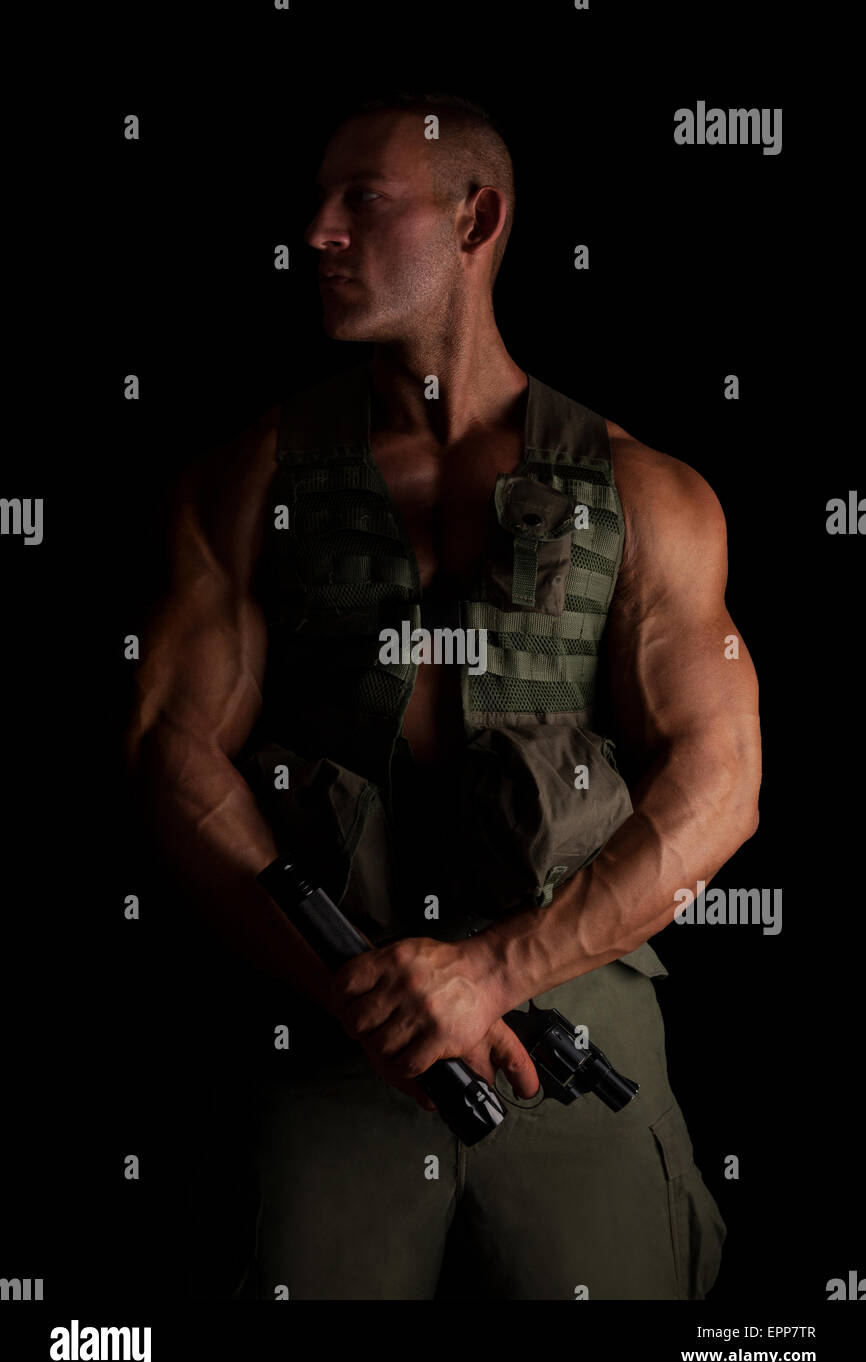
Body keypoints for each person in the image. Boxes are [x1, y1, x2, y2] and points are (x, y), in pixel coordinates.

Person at [125, 90, 761, 1301]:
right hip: (326, 1033)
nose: (313, 231)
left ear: (476, 219)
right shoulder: (245, 480)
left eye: (358, 201)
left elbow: (720, 784)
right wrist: (364, 994)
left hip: (571, 1032)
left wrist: (490, 976)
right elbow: (167, 747)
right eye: (314, 203)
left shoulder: (646, 491)